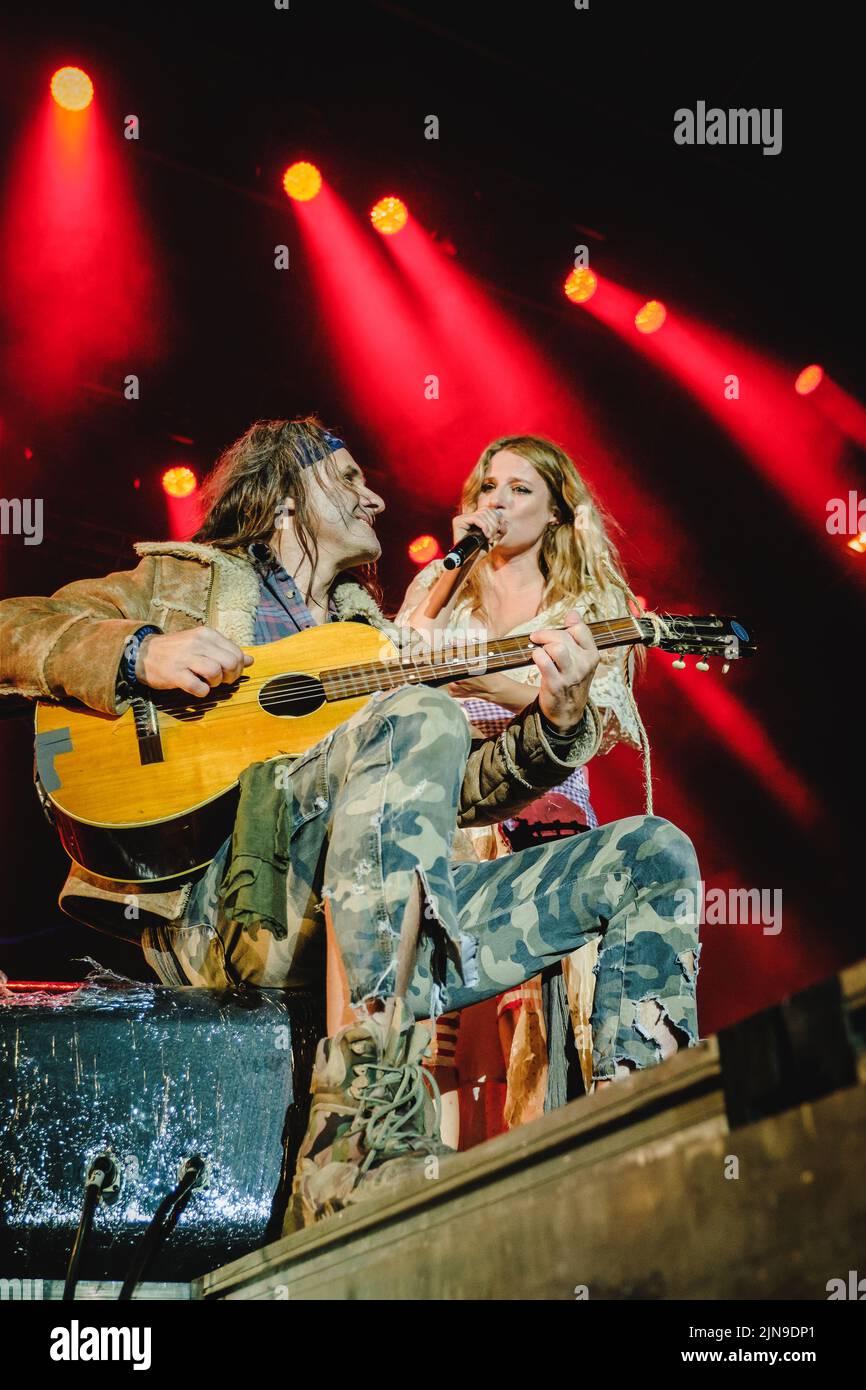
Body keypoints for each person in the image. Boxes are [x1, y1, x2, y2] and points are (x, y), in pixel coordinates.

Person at [0, 416, 701, 1230]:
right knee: (422, 719)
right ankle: (359, 1136)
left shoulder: (368, 639)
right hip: (239, 911)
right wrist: (138, 652)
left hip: (380, 916)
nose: (375, 494)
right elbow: (11, 628)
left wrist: (558, 720)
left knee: (652, 851)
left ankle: (648, 1139)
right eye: (348, 477)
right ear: (286, 495)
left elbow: (457, 792)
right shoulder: (181, 584)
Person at [395, 434, 652, 1135]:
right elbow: (394, 672)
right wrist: (449, 575)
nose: (497, 503)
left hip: (541, 820)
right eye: (487, 488)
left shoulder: (591, 601)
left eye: (518, 490)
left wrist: (480, 680)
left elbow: (598, 718)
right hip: (445, 817)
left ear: (559, 512)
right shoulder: (439, 587)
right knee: (440, 1035)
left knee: (536, 1026)